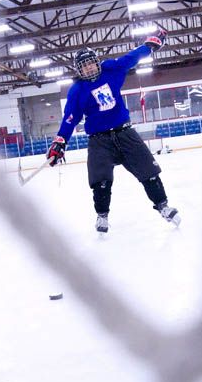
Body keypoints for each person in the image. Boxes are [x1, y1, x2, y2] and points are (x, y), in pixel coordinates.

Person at [48, 30, 179, 233]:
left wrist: (149, 47)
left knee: (149, 172)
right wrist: (60, 141)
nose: (89, 67)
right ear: (79, 70)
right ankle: (102, 216)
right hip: (100, 141)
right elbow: (70, 119)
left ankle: (163, 206)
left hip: (125, 133)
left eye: (91, 62)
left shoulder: (111, 69)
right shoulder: (77, 91)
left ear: (97, 62)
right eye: (84, 66)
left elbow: (131, 57)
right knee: (100, 181)